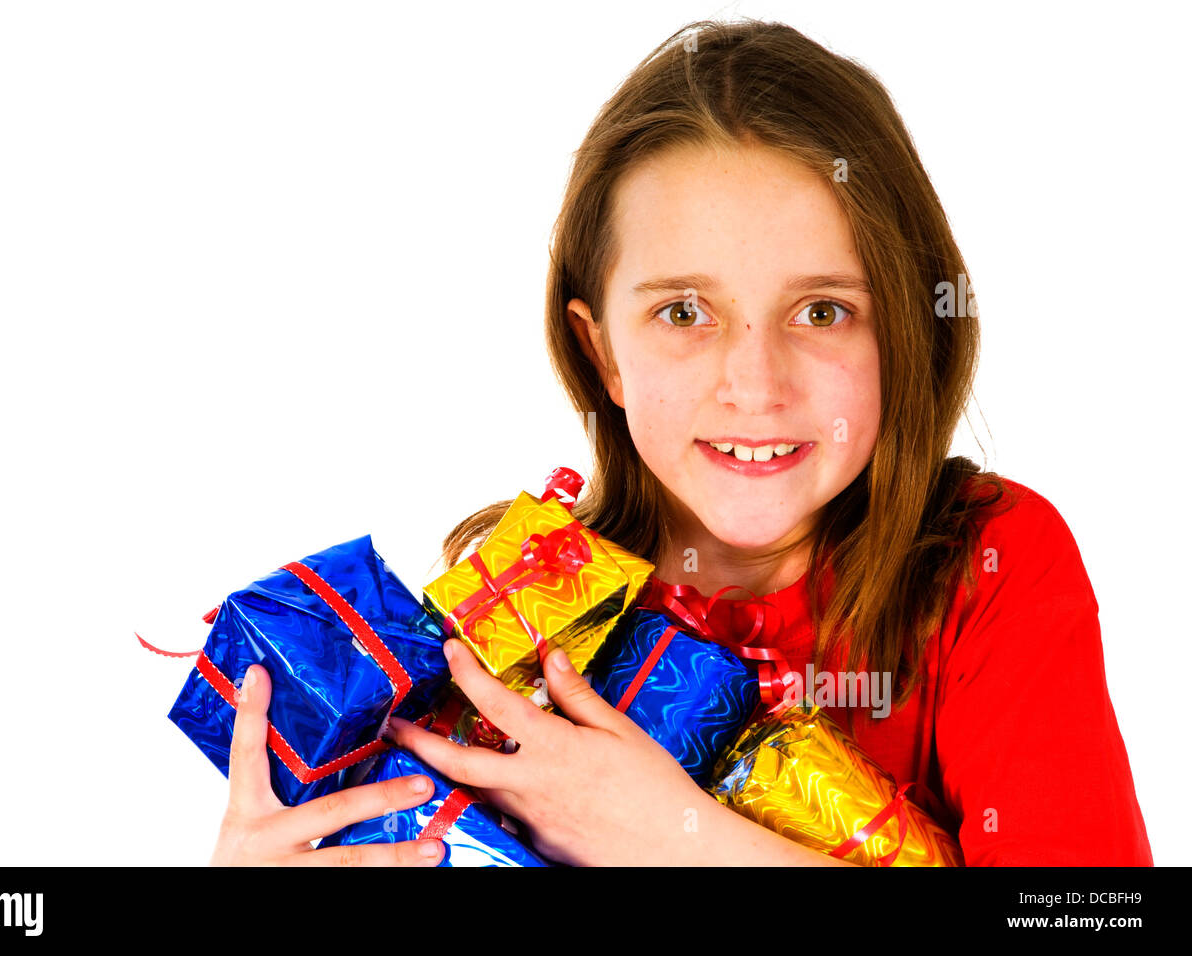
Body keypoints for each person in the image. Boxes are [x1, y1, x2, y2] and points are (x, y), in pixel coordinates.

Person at [209, 18, 1152, 866]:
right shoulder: (519, 613)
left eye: (823, 310)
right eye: (684, 312)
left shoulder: (986, 566)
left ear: (905, 332)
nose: (755, 383)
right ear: (601, 352)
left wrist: (674, 841)